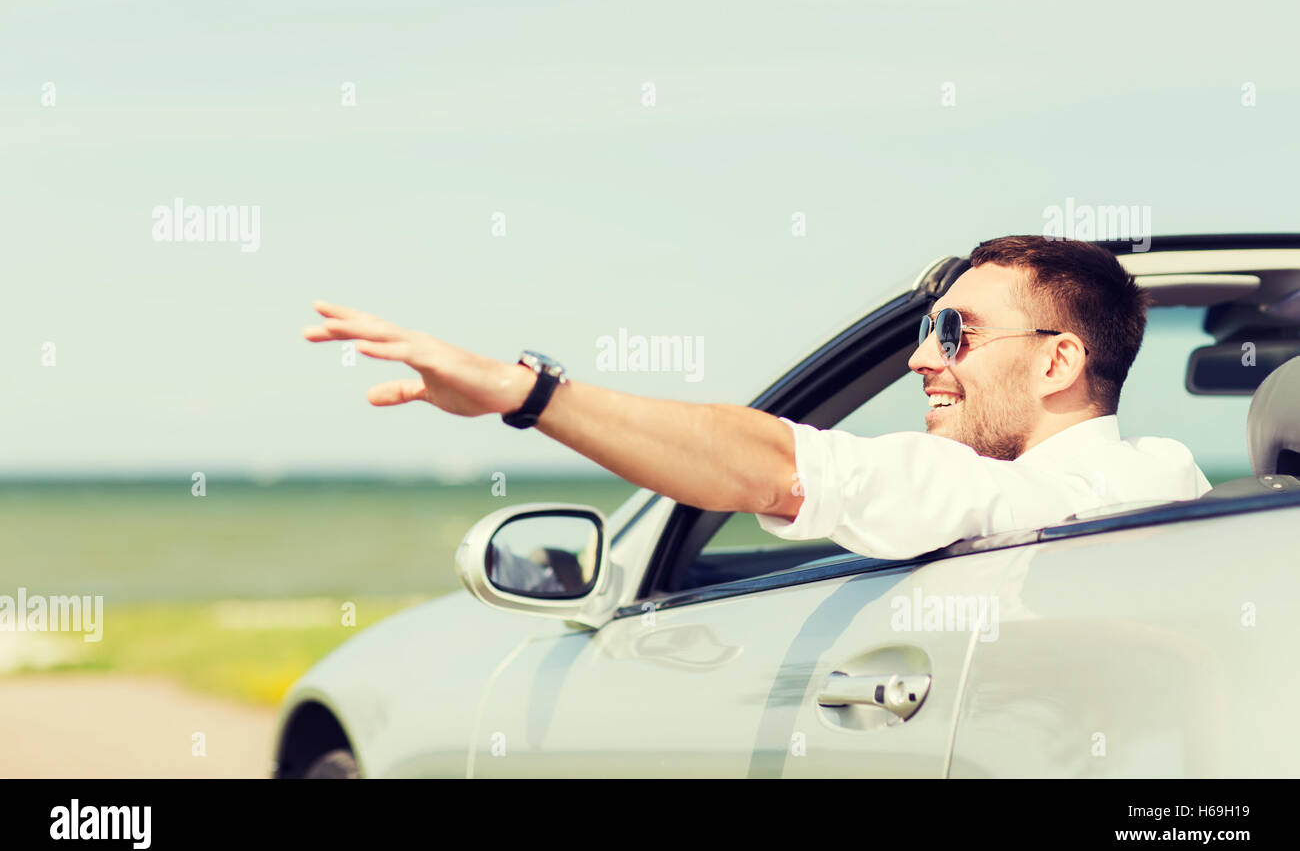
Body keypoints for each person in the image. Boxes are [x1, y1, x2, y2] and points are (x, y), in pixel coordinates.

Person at [301, 235, 1210, 560]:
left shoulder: (992, 495)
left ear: (1057, 364)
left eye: (954, 334)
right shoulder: (1181, 489)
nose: (916, 363)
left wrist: (524, 391)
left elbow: (774, 465)